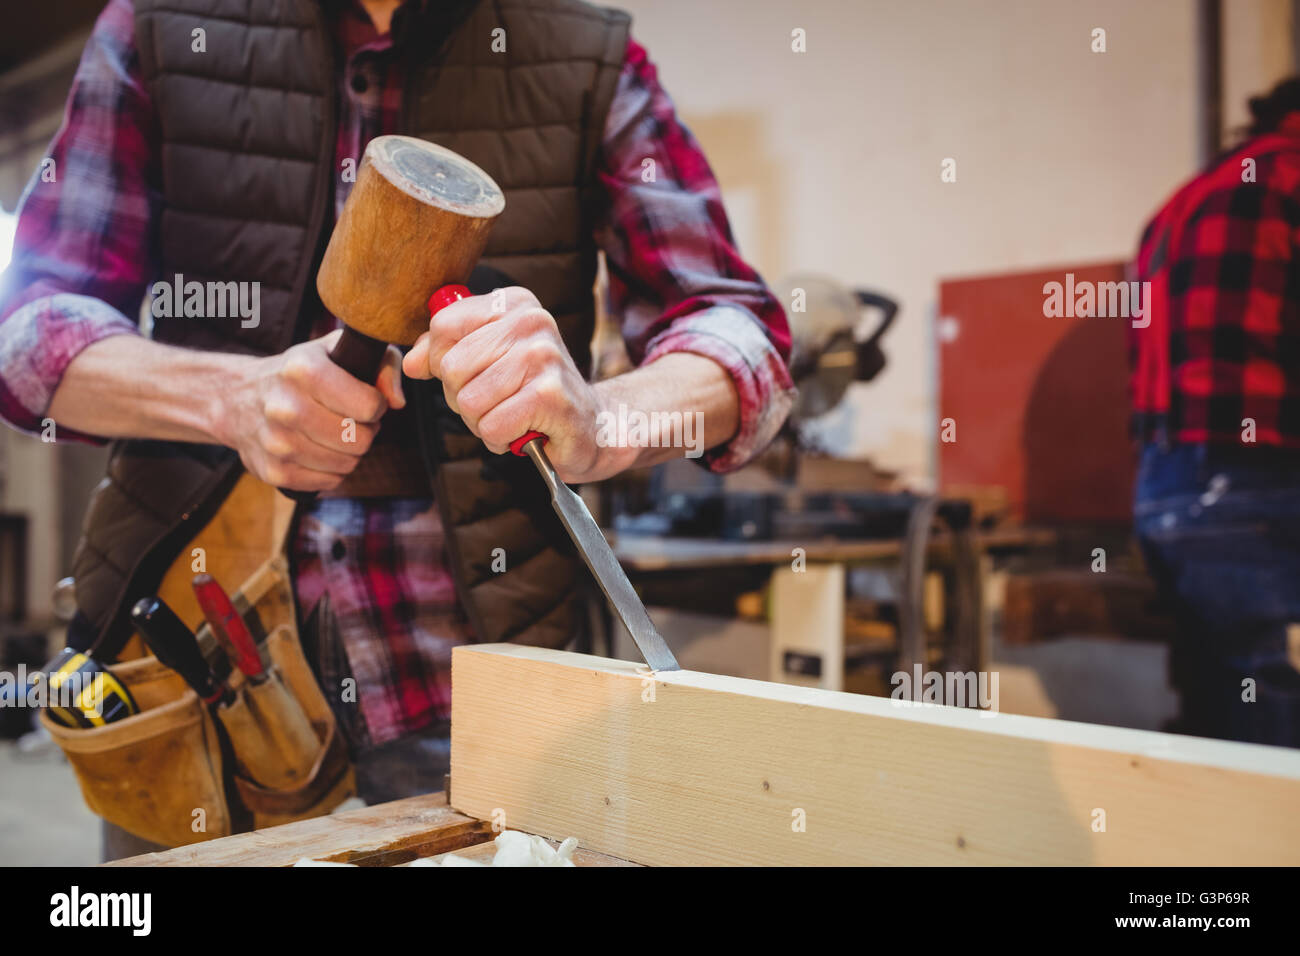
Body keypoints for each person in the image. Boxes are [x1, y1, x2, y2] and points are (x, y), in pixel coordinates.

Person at [0, 0, 795, 856]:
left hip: (476, 669)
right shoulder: (159, 25)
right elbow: (28, 341)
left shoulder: (584, 53)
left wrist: (603, 420)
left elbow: (745, 342)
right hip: (196, 656)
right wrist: (228, 397)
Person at [1130, 76, 1300, 747]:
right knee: (1278, 722)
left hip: (1169, 490)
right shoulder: (1291, 180)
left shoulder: (1184, 200)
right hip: (1262, 482)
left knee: (1225, 710)